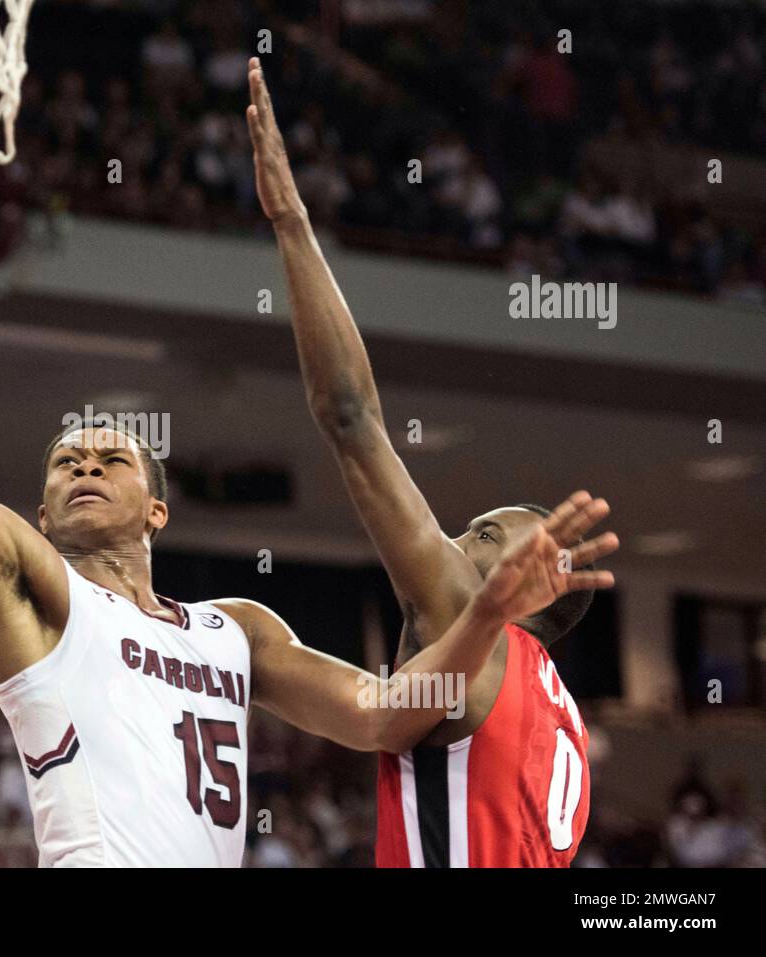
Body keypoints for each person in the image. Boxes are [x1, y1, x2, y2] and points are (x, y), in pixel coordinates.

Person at [0, 92, 616, 867]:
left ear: (157, 507)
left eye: (111, 457)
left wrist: (482, 616)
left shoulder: (238, 631)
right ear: (38, 510)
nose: (85, 465)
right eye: (66, 462)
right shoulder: (33, 587)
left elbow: (382, 718)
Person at [245, 58, 620, 867]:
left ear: (526, 597)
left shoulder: (469, 622)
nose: (454, 539)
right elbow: (365, 707)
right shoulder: (562, 721)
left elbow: (351, 419)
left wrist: (291, 223)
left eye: (485, 537)